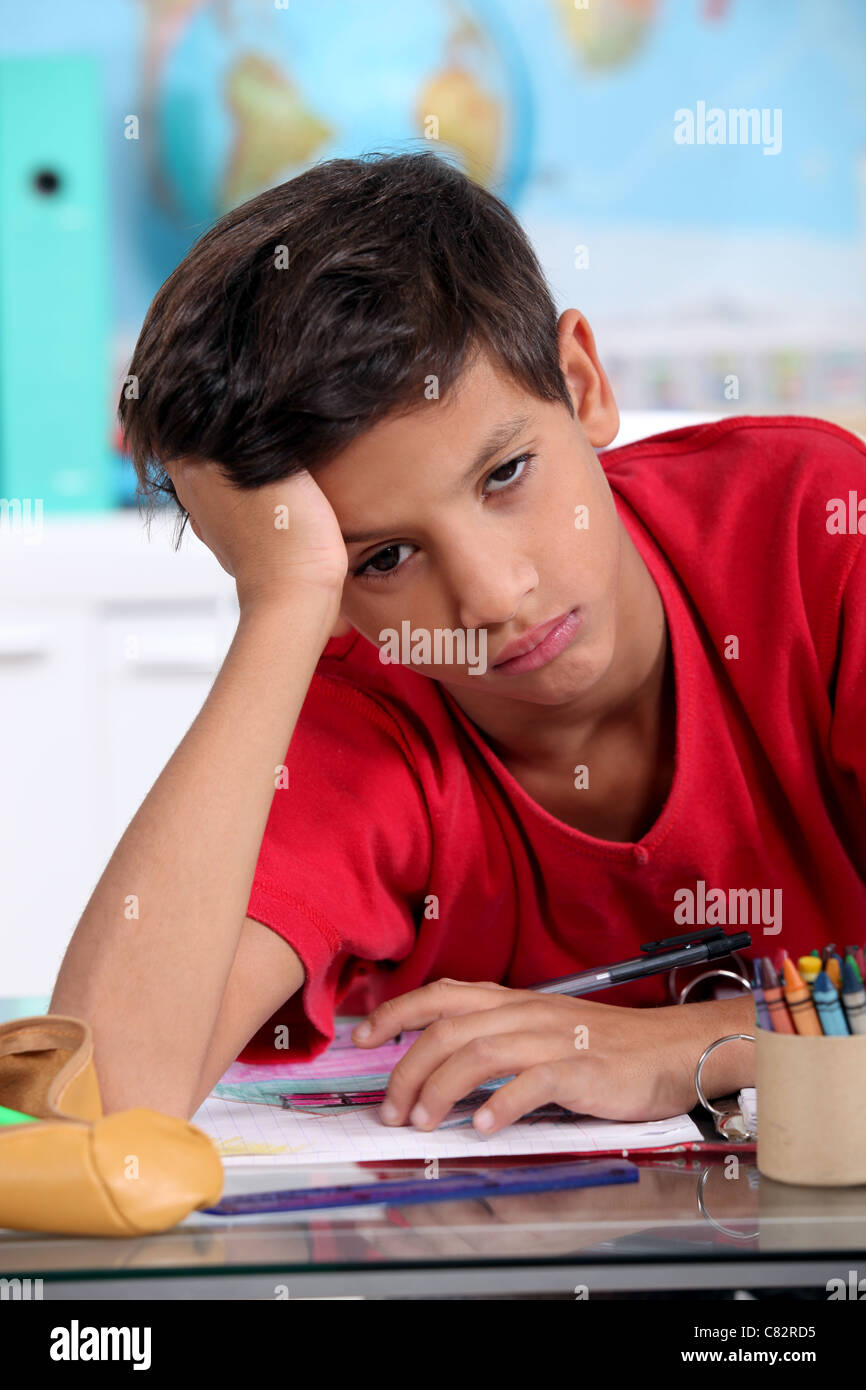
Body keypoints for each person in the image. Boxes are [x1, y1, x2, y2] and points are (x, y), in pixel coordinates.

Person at [51, 151, 866, 1134]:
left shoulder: (808, 530)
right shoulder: (359, 720)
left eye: (506, 473)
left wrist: (701, 1043)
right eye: (384, 556)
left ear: (580, 382)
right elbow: (98, 1111)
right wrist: (278, 606)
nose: (491, 595)